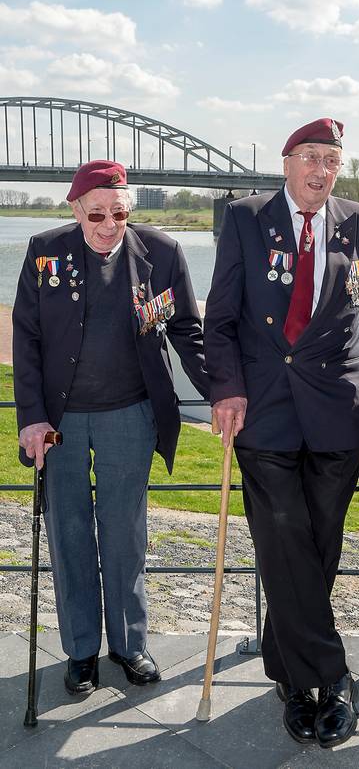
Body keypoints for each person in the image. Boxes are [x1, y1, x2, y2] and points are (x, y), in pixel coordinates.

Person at [204, 118, 359, 747]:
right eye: (309, 156)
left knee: (320, 546)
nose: (319, 170)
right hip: (266, 412)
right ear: (286, 161)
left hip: (339, 410)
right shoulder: (247, 219)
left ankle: (287, 670)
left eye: (331, 159)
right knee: (282, 534)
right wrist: (224, 388)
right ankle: (332, 678)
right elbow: (218, 318)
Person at [13, 160, 209, 696]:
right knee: (69, 533)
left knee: (125, 532)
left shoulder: (162, 253)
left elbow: (187, 331)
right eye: (95, 213)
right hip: (60, 421)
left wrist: (223, 392)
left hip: (132, 412)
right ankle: (80, 650)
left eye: (118, 214)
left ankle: (129, 644)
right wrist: (31, 418)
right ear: (75, 208)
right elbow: (26, 339)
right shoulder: (44, 250)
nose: (107, 225)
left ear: (131, 211)